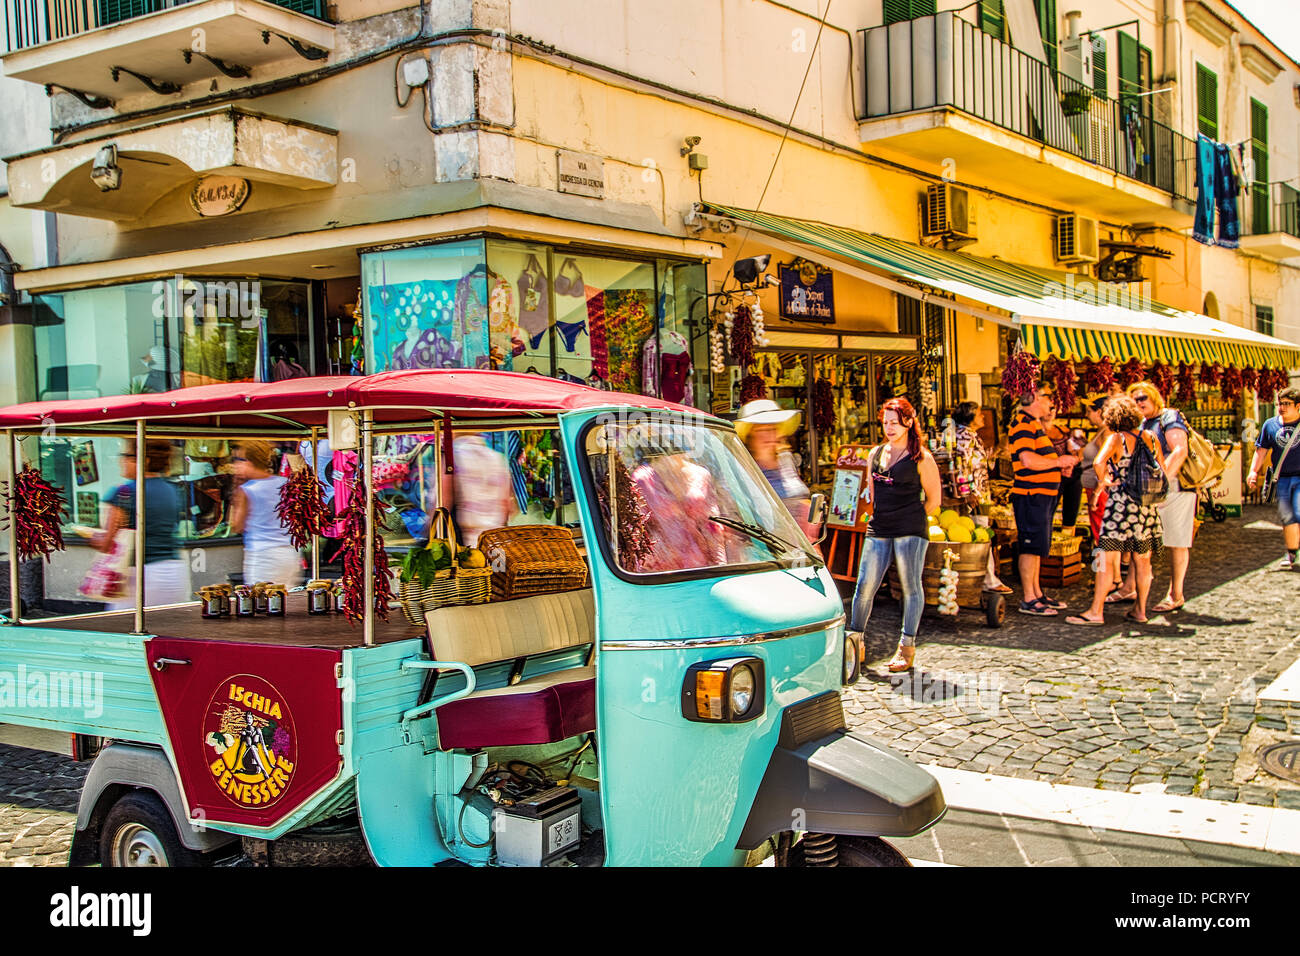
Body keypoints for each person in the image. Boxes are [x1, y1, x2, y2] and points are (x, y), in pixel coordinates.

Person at [847, 398, 942, 673]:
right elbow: (873, 495)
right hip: (880, 526)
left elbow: (934, 499)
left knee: (911, 586)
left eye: (894, 422)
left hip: (910, 527)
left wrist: (911, 517)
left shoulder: (920, 457)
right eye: (885, 421)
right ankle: (855, 642)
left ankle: (907, 646)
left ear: (909, 423)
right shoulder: (875, 453)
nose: (889, 427)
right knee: (865, 585)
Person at [1067, 395, 1165, 626]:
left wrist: (1108, 481)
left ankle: (1096, 611)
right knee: (1142, 560)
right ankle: (1140, 610)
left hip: (1121, 504)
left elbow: (1099, 463)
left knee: (1105, 556)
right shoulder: (1150, 437)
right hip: (1146, 505)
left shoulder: (1116, 439)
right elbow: (1160, 466)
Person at [90, 439, 190, 609]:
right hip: (174, 573)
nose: (121, 460)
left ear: (145, 460)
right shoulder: (172, 490)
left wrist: (92, 537)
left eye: (127, 456)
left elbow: (107, 544)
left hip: (139, 577)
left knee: (122, 631)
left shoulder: (124, 492)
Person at [1008, 386, 1079, 615]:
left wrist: (1058, 466)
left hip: (1041, 495)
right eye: (1049, 397)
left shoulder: (1033, 424)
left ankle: (1037, 592)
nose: (1052, 403)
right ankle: (1029, 598)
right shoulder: (1023, 424)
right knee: (1030, 546)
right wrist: (1059, 463)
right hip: (1031, 495)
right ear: (1036, 398)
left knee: (1038, 546)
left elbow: (1038, 459)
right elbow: (1028, 460)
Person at [1130, 381, 1193, 613]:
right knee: (1140, 539)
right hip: (1149, 488)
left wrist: (1162, 480)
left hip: (1173, 486)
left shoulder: (1169, 417)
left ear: (1155, 397)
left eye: (1143, 397)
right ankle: (1131, 588)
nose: (1139, 402)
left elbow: (1180, 450)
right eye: (1135, 400)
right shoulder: (1142, 423)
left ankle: (1176, 594)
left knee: (1176, 540)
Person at [950, 401, 1011, 593]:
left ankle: (986, 578)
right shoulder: (963, 437)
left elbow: (977, 463)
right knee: (981, 535)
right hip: (974, 494)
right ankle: (988, 580)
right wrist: (967, 492)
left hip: (980, 491)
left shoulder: (971, 436)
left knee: (982, 534)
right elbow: (960, 465)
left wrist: (993, 456)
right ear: (969, 417)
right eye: (979, 414)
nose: (982, 417)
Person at [735, 399, 816, 541]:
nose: (769, 435)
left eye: (772, 429)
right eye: (762, 430)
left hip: (800, 549)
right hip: (766, 553)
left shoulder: (786, 459)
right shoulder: (742, 469)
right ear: (750, 436)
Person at [230, 439, 303, 586]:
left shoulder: (246, 490)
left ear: (249, 462)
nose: (235, 466)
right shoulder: (284, 483)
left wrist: (235, 487)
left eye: (238, 460)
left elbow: (236, 526)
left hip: (263, 556)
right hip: (289, 553)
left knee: (261, 603)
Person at [1247, 385, 1300, 569]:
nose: (1282, 407)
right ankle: (1292, 553)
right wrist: (1253, 471)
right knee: (1287, 517)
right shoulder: (1270, 425)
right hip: (1282, 478)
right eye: (1280, 403)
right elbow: (1261, 450)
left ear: (1298, 406)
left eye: (1287, 404)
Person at [448, 433, 516, 547]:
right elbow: (509, 506)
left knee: (474, 563)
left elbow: (443, 500)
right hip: (495, 538)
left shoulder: (454, 456)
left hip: (468, 541)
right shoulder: (498, 458)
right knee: (496, 565)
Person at [1042, 398, 1084, 529]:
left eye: (1053, 408)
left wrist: (1073, 461)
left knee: (1071, 514)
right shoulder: (1036, 433)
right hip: (1049, 479)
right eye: (1048, 408)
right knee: (1047, 514)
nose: (1050, 412)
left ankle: (1068, 543)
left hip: (1070, 477)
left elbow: (1082, 450)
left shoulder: (1064, 430)